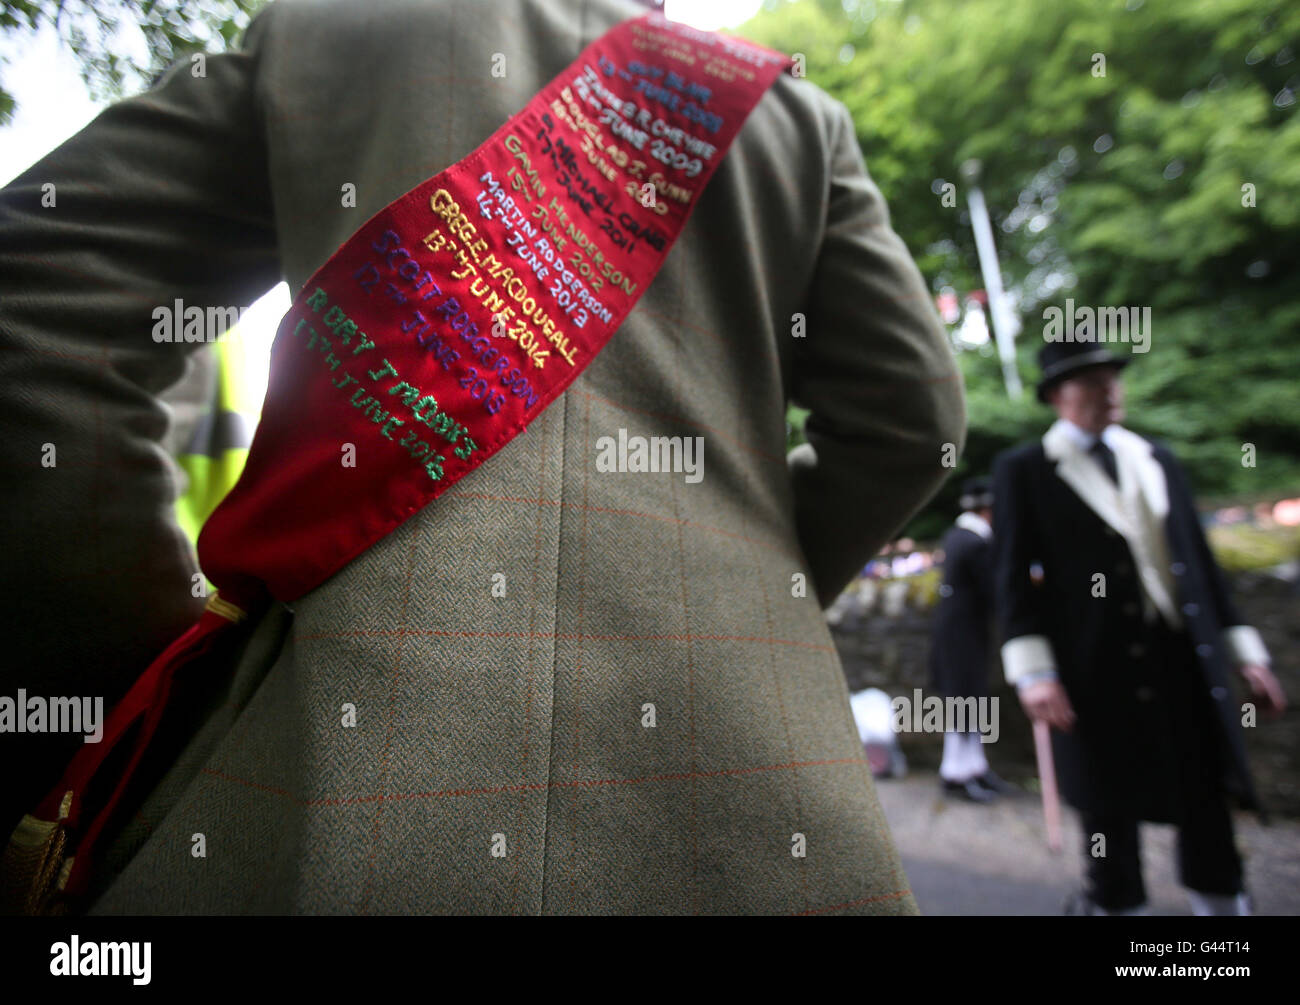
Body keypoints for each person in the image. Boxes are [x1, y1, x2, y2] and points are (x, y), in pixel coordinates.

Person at [0, 0, 964, 914]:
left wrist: (140, 667)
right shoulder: (790, 120)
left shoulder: (339, 30)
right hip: (765, 818)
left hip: (305, 806)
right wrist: (751, 602)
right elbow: (916, 424)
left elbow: (33, 297)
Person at [992, 339, 1287, 916]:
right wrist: (1034, 674)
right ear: (1057, 396)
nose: (1110, 391)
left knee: (1206, 797)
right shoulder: (1025, 471)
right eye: (1092, 382)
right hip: (1092, 667)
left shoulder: (1157, 459)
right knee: (1108, 814)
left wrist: (1245, 653)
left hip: (1182, 659)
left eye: (1113, 378)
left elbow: (1200, 567)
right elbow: (1012, 581)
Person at [927, 476, 1011, 802]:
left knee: (969, 702)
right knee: (964, 704)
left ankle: (974, 766)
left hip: (962, 633)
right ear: (987, 510)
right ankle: (956, 772)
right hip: (963, 635)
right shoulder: (975, 544)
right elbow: (994, 591)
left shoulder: (957, 537)